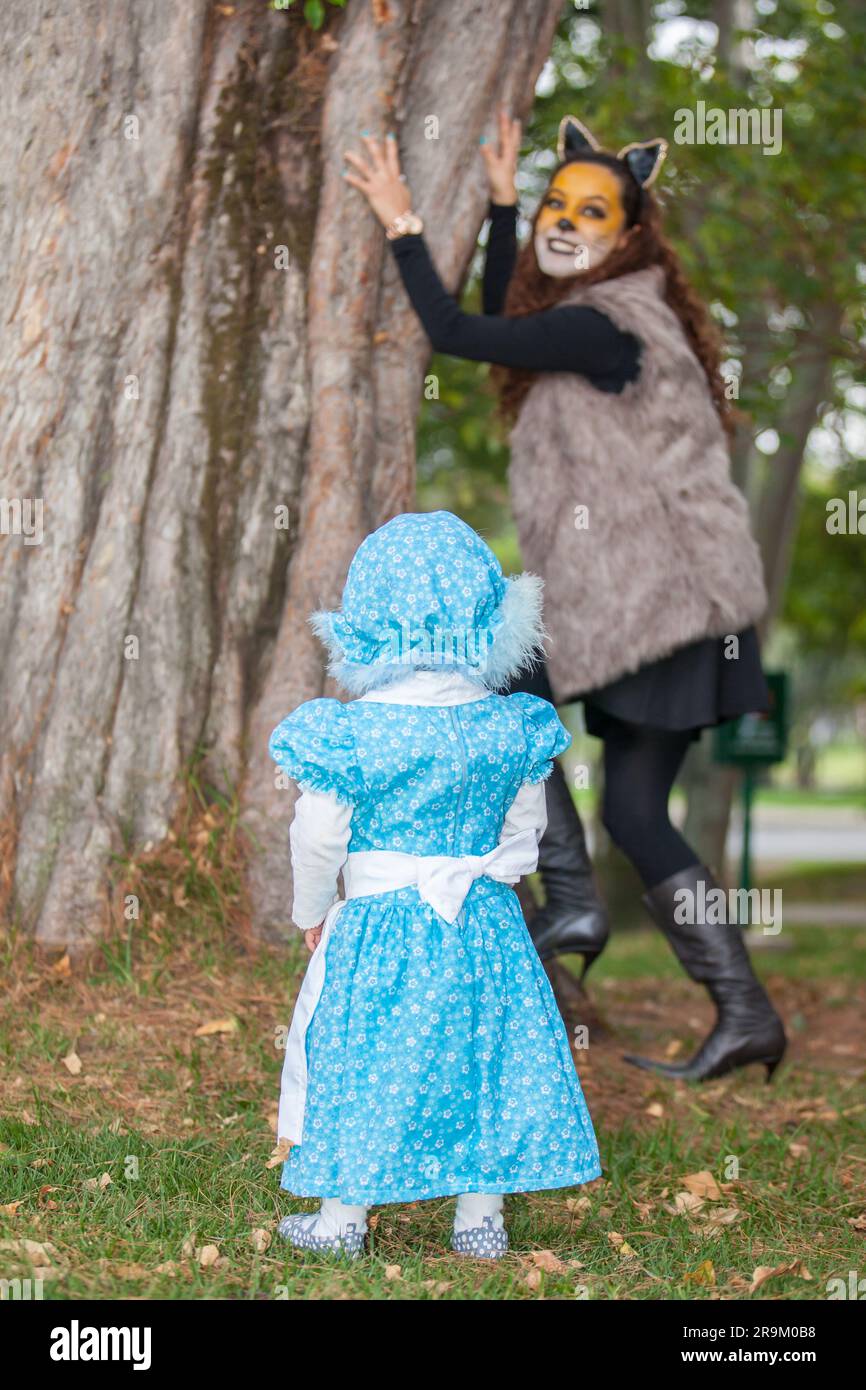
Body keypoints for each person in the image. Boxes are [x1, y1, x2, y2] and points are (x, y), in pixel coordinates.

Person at [341, 112, 786, 1083]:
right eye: (556, 203)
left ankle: (576, 899)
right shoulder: (609, 315)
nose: (565, 220)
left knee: (503, 674)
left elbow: (462, 330)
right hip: (674, 607)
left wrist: (402, 221)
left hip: (652, 604)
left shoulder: (601, 322)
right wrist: (503, 201)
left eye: (590, 211)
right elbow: (514, 313)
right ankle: (743, 1008)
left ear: (627, 236)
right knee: (634, 809)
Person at [268, 511, 602, 1259]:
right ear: (488, 617)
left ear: (365, 618)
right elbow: (527, 825)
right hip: (483, 922)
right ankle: (480, 1220)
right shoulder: (510, 727)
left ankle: (341, 1222)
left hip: (382, 927)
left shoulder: (351, 733)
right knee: (486, 1055)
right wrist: (497, 876)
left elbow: (318, 834)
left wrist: (313, 908)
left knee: (365, 1057)